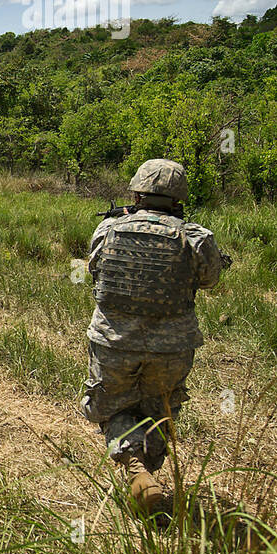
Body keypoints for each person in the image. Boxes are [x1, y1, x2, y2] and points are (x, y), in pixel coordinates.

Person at [82, 158, 224, 513]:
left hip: (114, 342)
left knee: (110, 408)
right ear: (178, 200)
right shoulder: (195, 237)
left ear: (136, 192)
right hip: (172, 347)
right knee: (159, 412)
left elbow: (94, 271)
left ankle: (135, 468)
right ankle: (146, 470)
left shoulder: (109, 229)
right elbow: (210, 280)